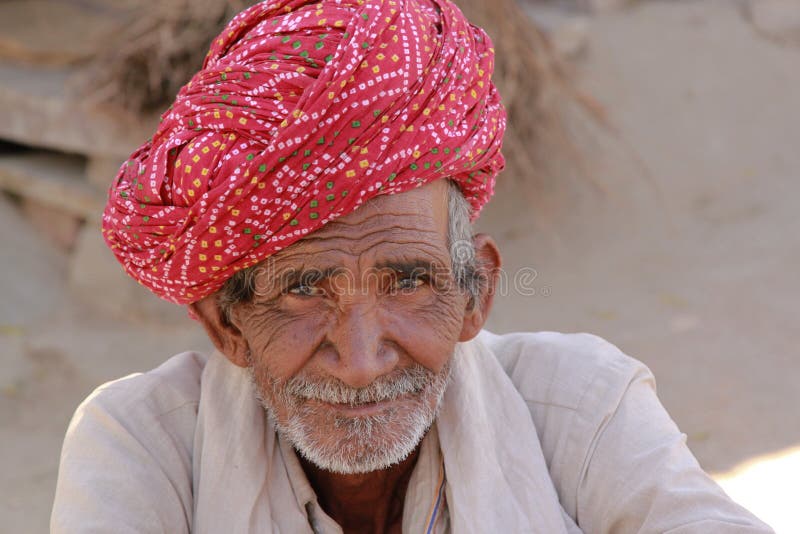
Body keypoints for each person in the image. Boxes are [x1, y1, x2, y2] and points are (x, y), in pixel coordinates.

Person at [51, 0, 772, 532]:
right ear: (225, 326)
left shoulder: (582, 407)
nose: (361, 361)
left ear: (474, 293)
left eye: (408, 282)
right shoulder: (144, 443)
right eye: (302, 289)